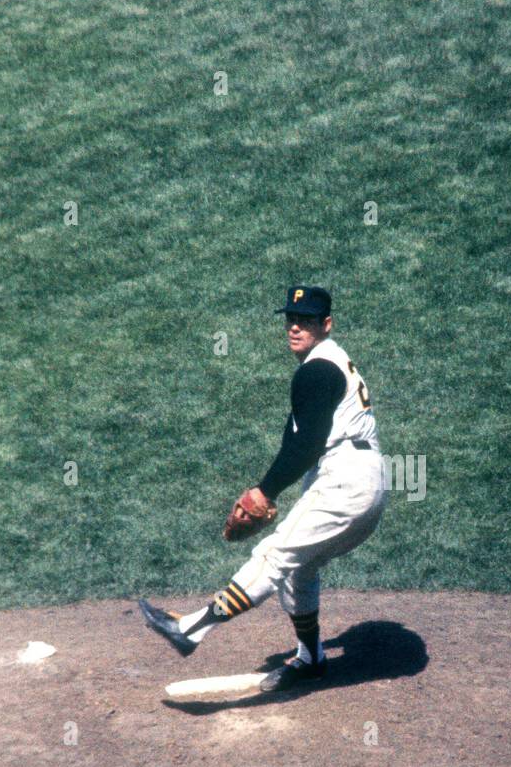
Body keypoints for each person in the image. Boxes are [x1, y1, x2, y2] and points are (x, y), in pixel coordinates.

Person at [139, 286, 386, 691]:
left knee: (272, 555)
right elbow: (297, 442)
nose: (295, 326)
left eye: (306, 320)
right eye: (291, 318)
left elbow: (307, 445)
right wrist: (266, 488)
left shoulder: (318, 369)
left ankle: (191, 628)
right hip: (359, 479)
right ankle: (311, 658)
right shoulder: (327, 364)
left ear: (326, 325)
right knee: (297, 569)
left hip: (346, 479)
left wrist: (266, 492)